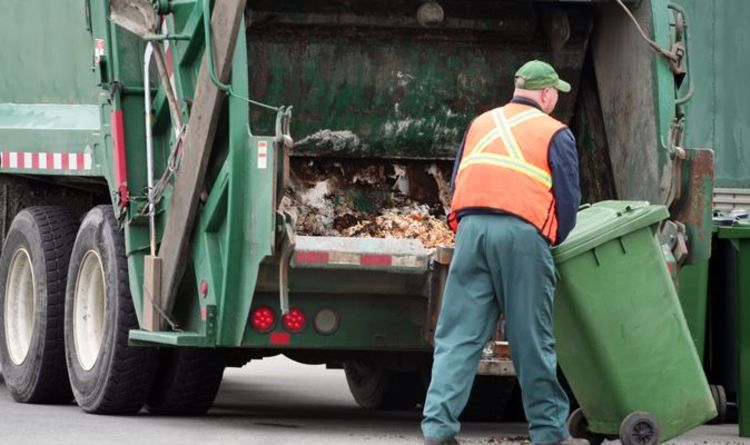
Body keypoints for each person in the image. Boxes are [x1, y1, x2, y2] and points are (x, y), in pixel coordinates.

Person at [421, 60, 583, 445]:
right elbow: (568, 199)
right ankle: (547, 433)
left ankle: (438, 429)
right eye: (555, 92)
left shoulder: (481, 123)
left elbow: (459, 176)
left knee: (458, 336)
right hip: (522, 238)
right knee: (531, 339)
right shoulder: (555, 132)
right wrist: (551, 238)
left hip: (472, 232)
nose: (556, 98)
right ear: (546, 94)